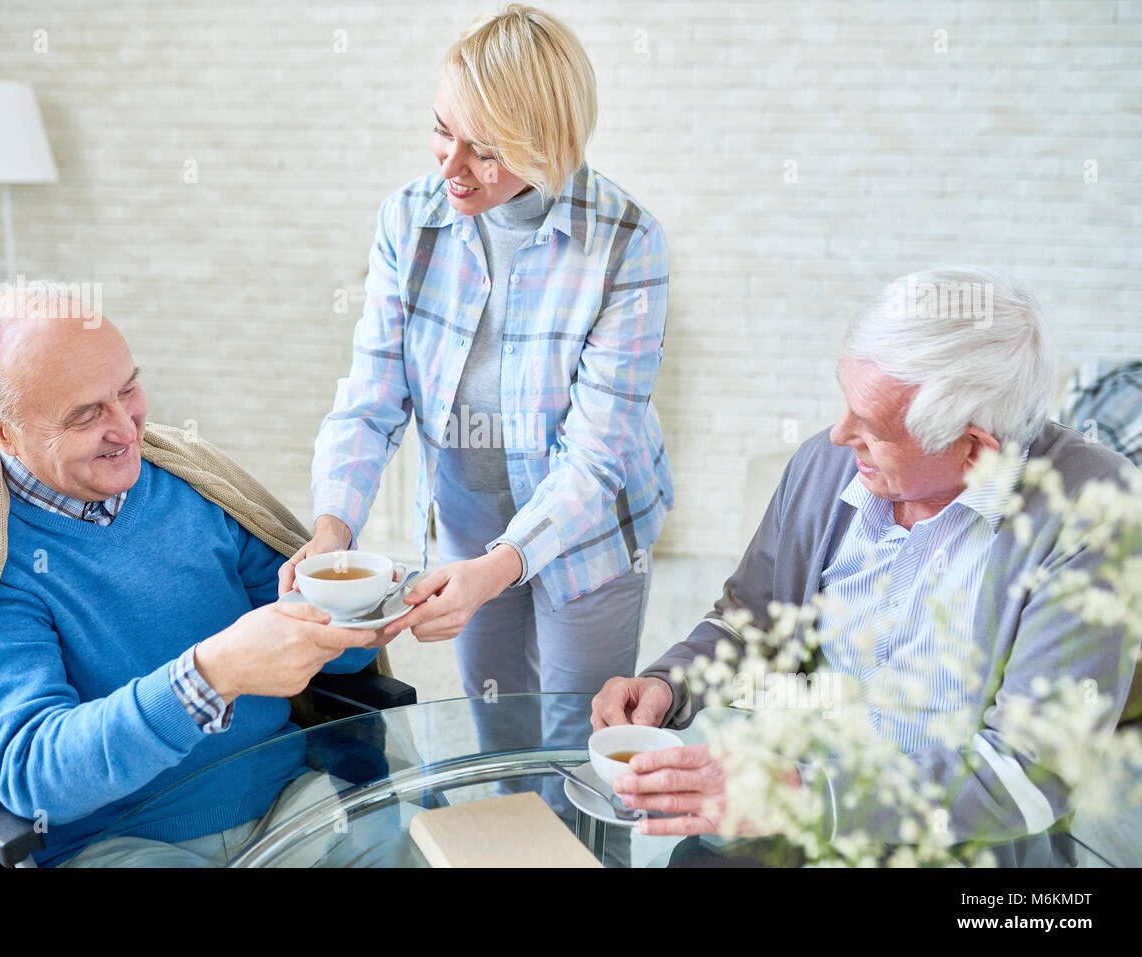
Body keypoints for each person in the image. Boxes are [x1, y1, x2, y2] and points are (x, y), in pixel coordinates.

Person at [591, 267, 1140, 860]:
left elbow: (1029, 776)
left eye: (873, 427)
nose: (837, 435)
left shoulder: (1094, 516)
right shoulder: (826, 470)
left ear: (976, 449)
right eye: (847, 403)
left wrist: (806, 796)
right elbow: (751, 618)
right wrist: (670, 684)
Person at [285, 4, 673, 782]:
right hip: (467, 526)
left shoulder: (626, 242)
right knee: (494, 734)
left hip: (590, 537)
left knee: (576, 751)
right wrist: (332, 527)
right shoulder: (410, 221)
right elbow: (371, 395)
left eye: (486, 151)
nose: (451, 165)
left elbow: (594, 462)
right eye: (441, 130)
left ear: (548, 146)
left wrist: (502, 567)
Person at [0, 283, 390, 867]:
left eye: (128, 388)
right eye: (85, 415)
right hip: (124, 841)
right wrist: (210, 676)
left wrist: (360, 611)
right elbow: (34, 775)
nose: (128, 430)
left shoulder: (197, 489)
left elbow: (333, 660)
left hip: (291, 799)